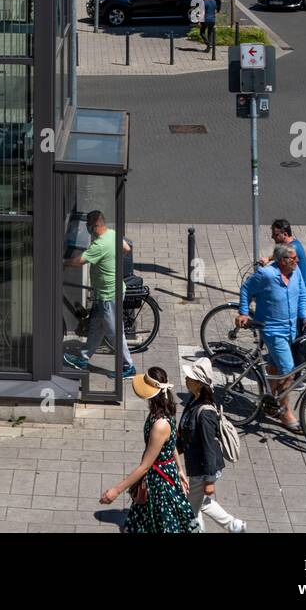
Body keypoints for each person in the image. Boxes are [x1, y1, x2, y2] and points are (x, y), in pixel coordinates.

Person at [100, 368, 200, 533]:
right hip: (166, 474)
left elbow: (145, 466)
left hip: (159, 482)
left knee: (163, 523)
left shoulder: (159, 424)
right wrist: (180, 469)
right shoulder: (166, 411)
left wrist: (116, 490)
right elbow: (172, 443)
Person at [237, 243, 306, 431]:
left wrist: (305, 318)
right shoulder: (266, 275)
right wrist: (244, 312)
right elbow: (246, 289)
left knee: (274, 366)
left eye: (297, 258)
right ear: (282, 261)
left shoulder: (295, 274)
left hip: (290, 330)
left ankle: (269, 399)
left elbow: (303, 296)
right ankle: (285, 413)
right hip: (272, 330)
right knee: (289, 371)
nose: (297, 261)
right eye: (293, 259)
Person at [63, 210, 136, 378]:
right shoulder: (113, 234)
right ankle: (83, 358)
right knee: (96, 327)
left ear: (95, 225)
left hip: (108, 296)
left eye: (88, 226)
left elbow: (79, 261)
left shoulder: (100, 245)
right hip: (113, 291)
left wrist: (63, 262)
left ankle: (128, 367)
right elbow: (126, 248)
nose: (87, 229)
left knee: (114, 333)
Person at [179, 357, 246, 533]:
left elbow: (209, 447)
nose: (186, 379)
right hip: (198, 467)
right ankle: (235, 526)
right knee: (202, 503)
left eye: (190, 378)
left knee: (190, 510)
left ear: (200, 383)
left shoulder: (205, 413)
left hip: (203, 470)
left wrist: (209, 481)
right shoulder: (194, 400)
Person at [260, 219, 306, 298]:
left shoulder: (293, 248)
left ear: (285, 234)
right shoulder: (292, 244)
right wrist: (268, 259)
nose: (272, 237)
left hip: (299, 294)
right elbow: (279, 254)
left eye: (276, 234)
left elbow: (277, 267)